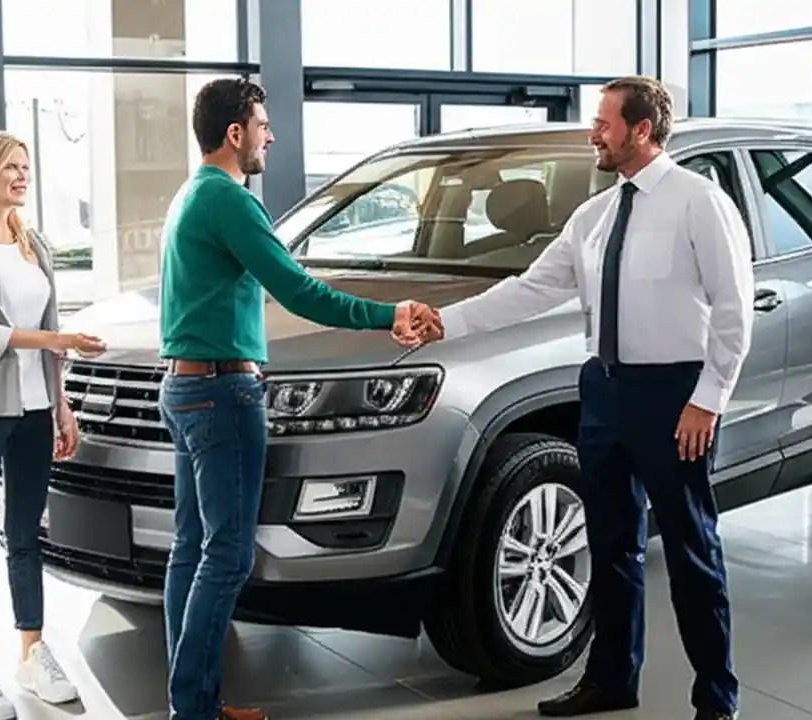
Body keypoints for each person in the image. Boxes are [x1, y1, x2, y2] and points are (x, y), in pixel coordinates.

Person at [432, 76, 752, 720]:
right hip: (602, 389)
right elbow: (530, 290)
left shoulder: (698, 202)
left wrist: (708, 398)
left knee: (692, 551)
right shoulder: (594, 216)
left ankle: (717, 698)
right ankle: (611, 679)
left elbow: (734, 309)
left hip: (673, 396)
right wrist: (448, 323)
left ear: (641, 130)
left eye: (603, 123)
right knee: (608, 546)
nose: (593, 134)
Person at [157, 77, 437, 720]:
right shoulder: (227, 199)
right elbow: (299, 290)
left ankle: (195, 698)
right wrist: (388, 315)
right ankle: (193, 709)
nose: (270, 136)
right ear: (235, 133)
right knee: (225, 554)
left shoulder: (190, 193)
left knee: (193, 547)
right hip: (222, 393)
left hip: (187, 386)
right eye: (262, 125)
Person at [0, 131, 107, 720]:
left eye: (26, 166)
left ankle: (32, 653)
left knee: (27, 535)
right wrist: (56, 340)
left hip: (35, 409)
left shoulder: (34, 244)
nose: (21, 175)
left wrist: (61, 404)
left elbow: (50, 329)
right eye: (10, 166)